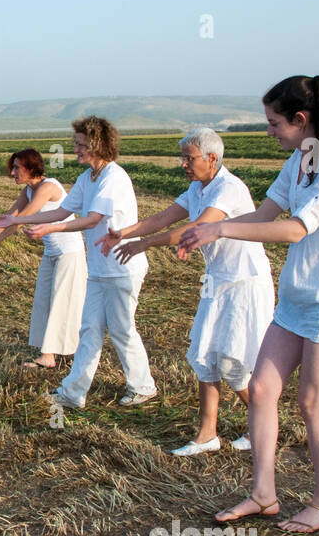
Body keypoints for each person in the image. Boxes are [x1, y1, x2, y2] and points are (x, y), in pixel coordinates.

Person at [177, 75, 319, 534]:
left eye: (274, 123)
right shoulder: (299, 161)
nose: (270, 131)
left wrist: (220, 229)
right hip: (296, 297)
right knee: (262, 389)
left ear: (301, 120)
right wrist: (208, 228)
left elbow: (295, 229)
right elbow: (265, 215)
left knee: (312, 401)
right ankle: (263, 495)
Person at [99, 128, 274, 455]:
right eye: (182, 157)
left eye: (188, 158)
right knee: (205, 357)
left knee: (234, 364)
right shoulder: (197, 187)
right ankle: (207, 435)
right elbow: (165, 217)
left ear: (212, 158)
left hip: (244, 282)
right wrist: (123, 233)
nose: (183, 164)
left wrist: (145, 245)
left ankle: (262, 426)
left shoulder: (229, 188)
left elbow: (198, 227)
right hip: (218, 280)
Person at [0, 116, 156, 408]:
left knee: (121, 329)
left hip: (122, 266)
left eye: (80, 145)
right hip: (99, 267)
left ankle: (142, 386)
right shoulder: (86, 178)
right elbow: (61, 211)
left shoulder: (113, 177)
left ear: (97, 145)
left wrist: (49, 229)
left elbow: (92, 218)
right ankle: (73, 392)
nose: (75, 149)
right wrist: (18, 219)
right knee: (89, 329)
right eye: (76, 144)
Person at [0, 149, 86, 370]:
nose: (12, 173)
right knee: (43, 301)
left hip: (69, 253)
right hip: (51, 253)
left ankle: (53, 355)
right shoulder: (28, 190)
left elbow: (22, 220)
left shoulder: (47, 187)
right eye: (13, 168)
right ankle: (49, 353)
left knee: (62, 303)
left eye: (17, 168)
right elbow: (9, 217)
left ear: (31, 168)